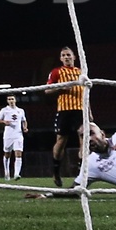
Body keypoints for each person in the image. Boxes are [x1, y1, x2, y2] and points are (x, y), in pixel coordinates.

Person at [45, 46, 86, 187]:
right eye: (63, 55)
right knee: (61, 141)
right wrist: (61, 87)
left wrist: (89, 111)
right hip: (64, 110)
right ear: (61, 58)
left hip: (80, 110)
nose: (66, 57)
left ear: (74, 57)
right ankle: (56, 171)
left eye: (68, 54)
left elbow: (85, 93)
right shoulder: (56, 72)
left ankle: (81, 174)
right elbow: (47, 90)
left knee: (84, 140)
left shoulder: (81, 72)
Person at [0, 95, 27, 180]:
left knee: (18, 153)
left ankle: (16, 174)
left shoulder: (20, 110)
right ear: (7, 101)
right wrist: (4, 121)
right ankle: (6, 172)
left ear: (15, 100)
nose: (11, 101)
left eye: (12, 99)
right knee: (7, 154)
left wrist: (25, 127)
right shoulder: (4, 110)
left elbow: (24, 120)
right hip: (8, 135)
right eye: (9, 99)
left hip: (18, 135)